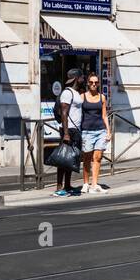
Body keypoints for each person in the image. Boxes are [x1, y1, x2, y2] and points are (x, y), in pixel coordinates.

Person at [53, 69, 84, 197]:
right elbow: (64, 113)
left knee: (71, 159)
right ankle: (59, 188)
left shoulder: (76, 92)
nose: (84, 79)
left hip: (75, 129)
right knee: (63, 159)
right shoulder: (67, 93)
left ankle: (67, 185)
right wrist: (66, 133)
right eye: (82, 77)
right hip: (69, 130)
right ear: (77, 78)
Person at [79, 71, 110, 193]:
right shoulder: (82, 97)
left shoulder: (102, 97)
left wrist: (108, 131)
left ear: (98, 84)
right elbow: (77, 114)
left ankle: (94, 184)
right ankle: (86, 183)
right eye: (91, 82)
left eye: (96, 82)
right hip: (86, 131)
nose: (94, 84)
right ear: (88, 83)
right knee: (87, 158)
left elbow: (104, 115)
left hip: (100, 130)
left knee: (97, 157)